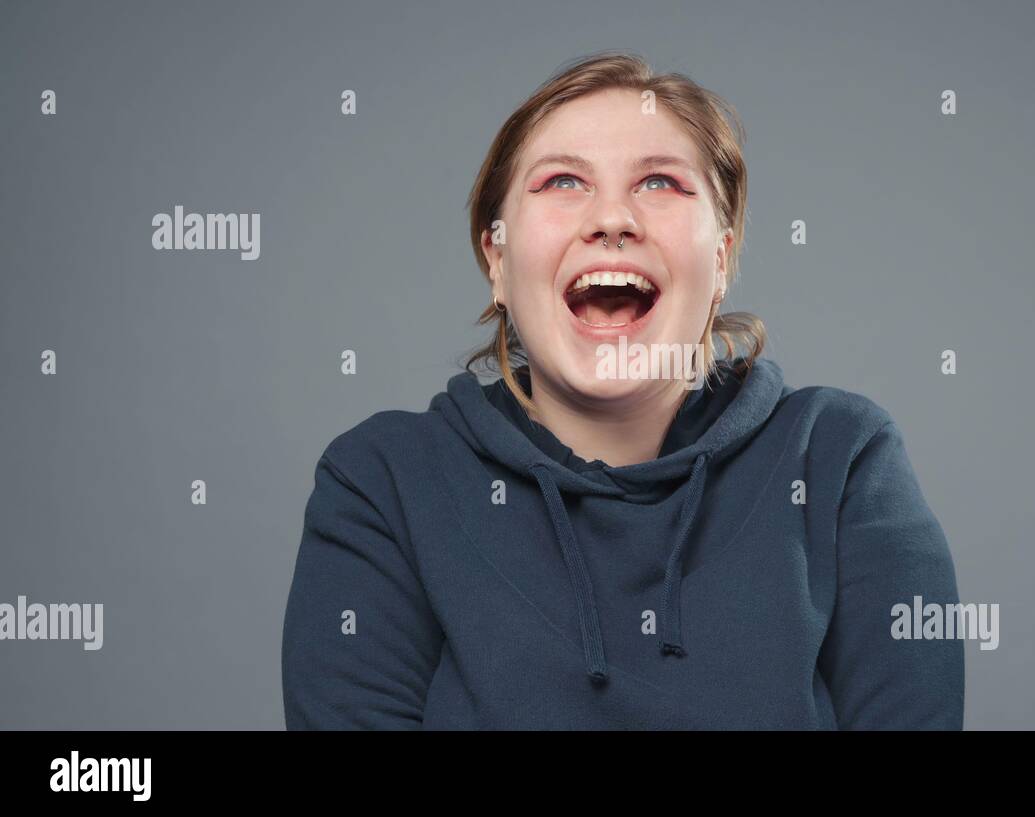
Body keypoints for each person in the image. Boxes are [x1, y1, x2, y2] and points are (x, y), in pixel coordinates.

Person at [281, 51, 964, 730]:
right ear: (497, 258)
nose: (612, 217)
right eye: (562, 182)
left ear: (721, 260)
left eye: (660, 183)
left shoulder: (842, 462)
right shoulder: (383, 482)